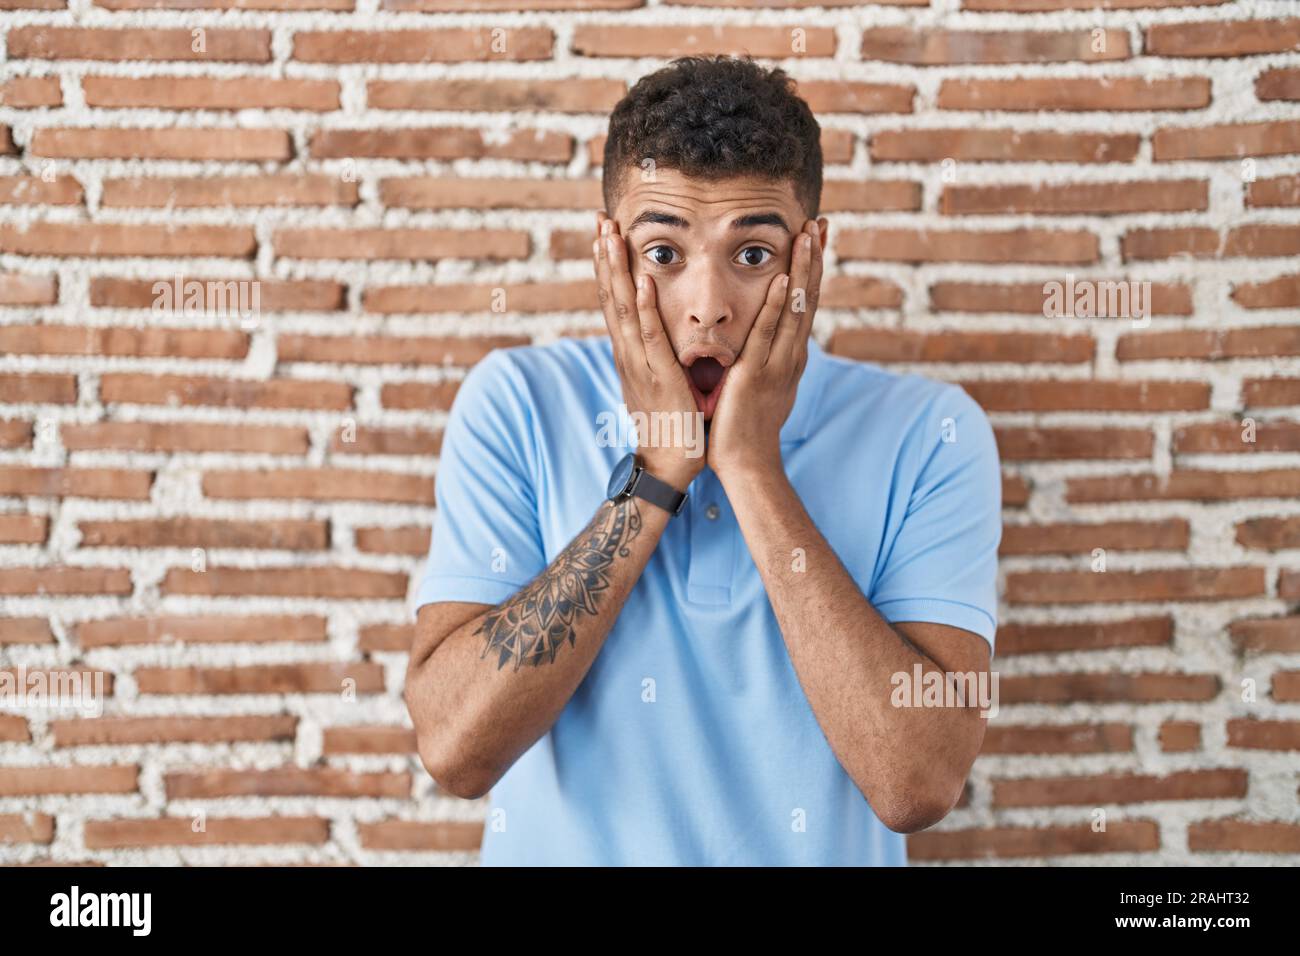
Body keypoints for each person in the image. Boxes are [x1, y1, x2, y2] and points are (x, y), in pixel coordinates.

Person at [404, 55, 1002, 866]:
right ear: (610, 253)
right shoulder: (515, 402)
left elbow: (917, 784)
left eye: (753, 254)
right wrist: (659, 470)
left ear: (809, 255)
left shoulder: (930, 432)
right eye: (663, 253)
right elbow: (457, 749)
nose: (708, 305)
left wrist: (751, 467)